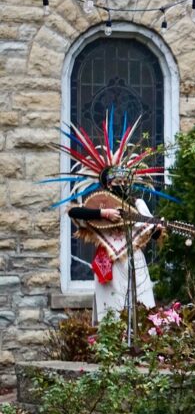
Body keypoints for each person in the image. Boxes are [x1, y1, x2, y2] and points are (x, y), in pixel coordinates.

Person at [44, 110, 166, 322]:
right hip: (109, 260)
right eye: (117, 183)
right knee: (112, 311)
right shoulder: (98, 202)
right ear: (108, 185)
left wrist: (158, 229)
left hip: (134, 260)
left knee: (141, 309)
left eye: (125, 182)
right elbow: (74, 212)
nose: (122, 186)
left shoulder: (137, 204)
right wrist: (104, 213)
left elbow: (152, 234)